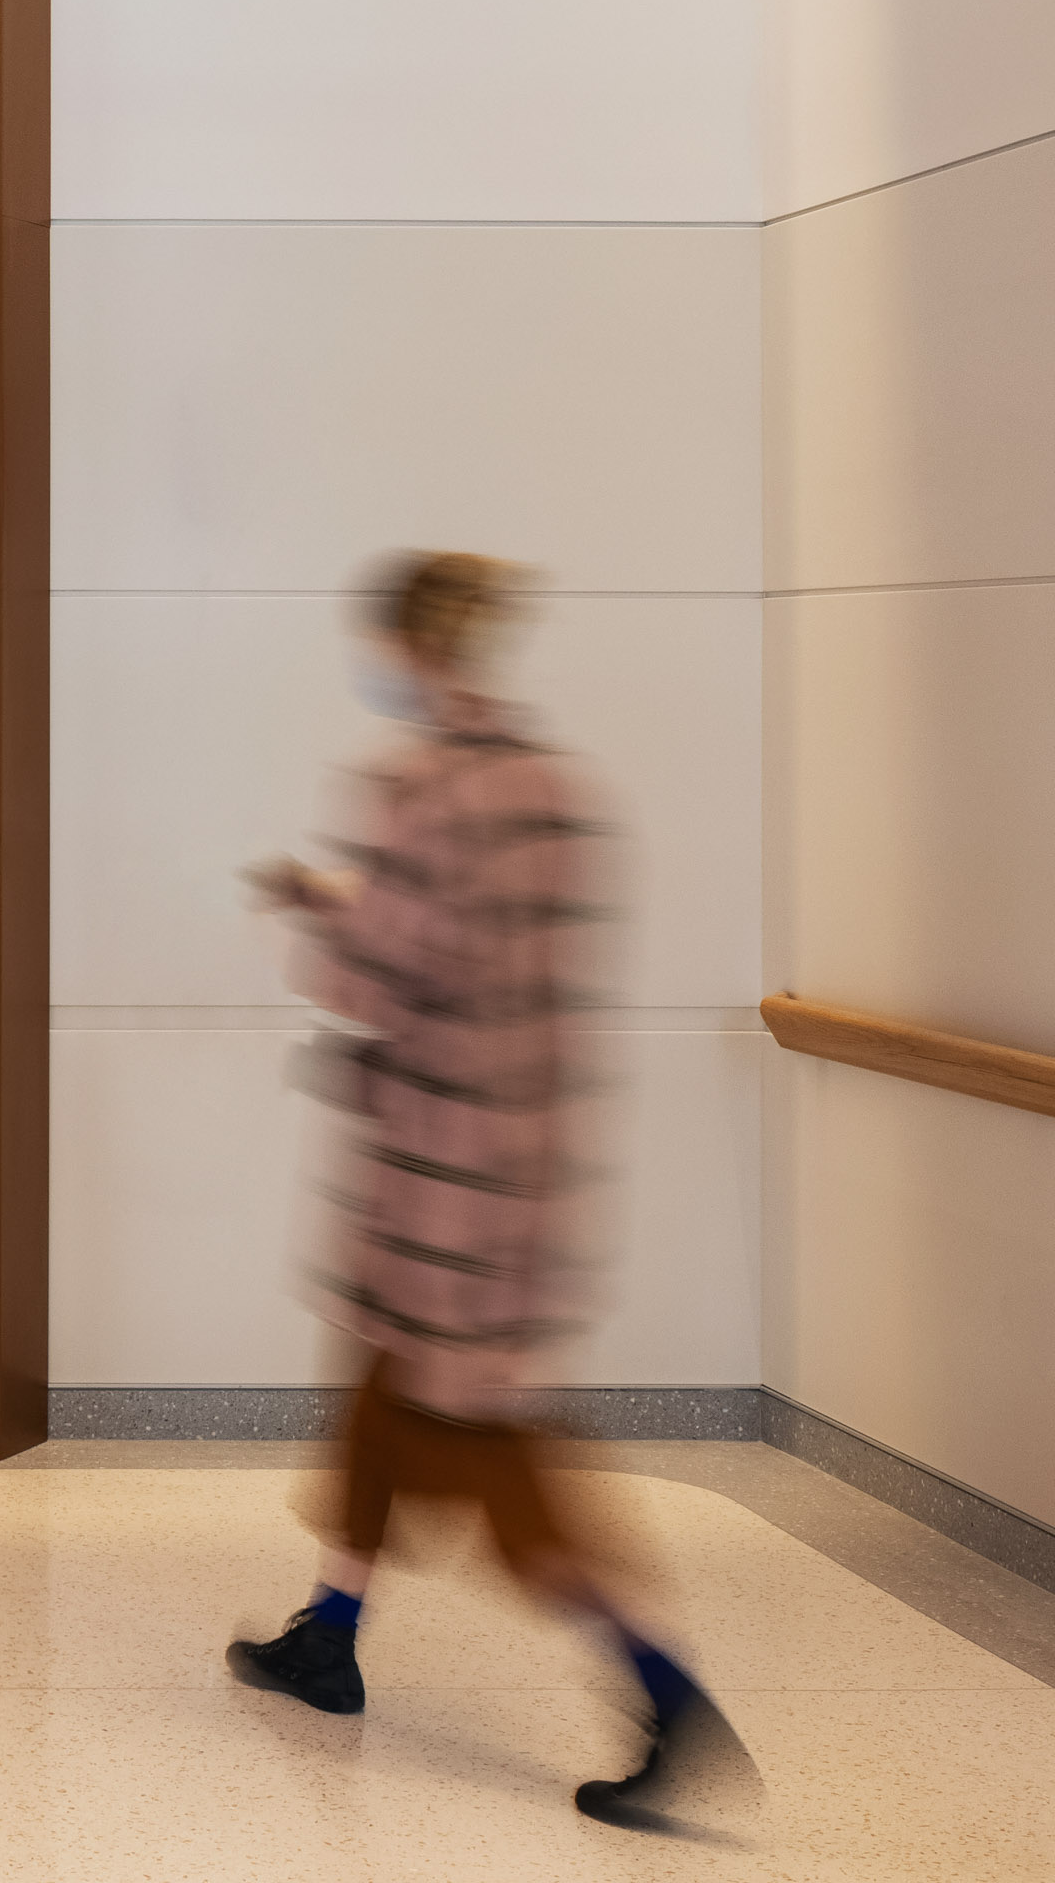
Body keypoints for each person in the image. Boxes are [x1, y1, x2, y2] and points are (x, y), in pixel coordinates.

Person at [224, 552, 753, 1836]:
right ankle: (327, 1634)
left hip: (434, 1179)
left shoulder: (414, 789)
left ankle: (667, 1699)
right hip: (523, 1165)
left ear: (403, 647)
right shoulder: (558, 794)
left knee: (490, 1458)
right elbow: (511, 972)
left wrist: (311, 902)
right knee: (374, 1402)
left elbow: (377, 980)